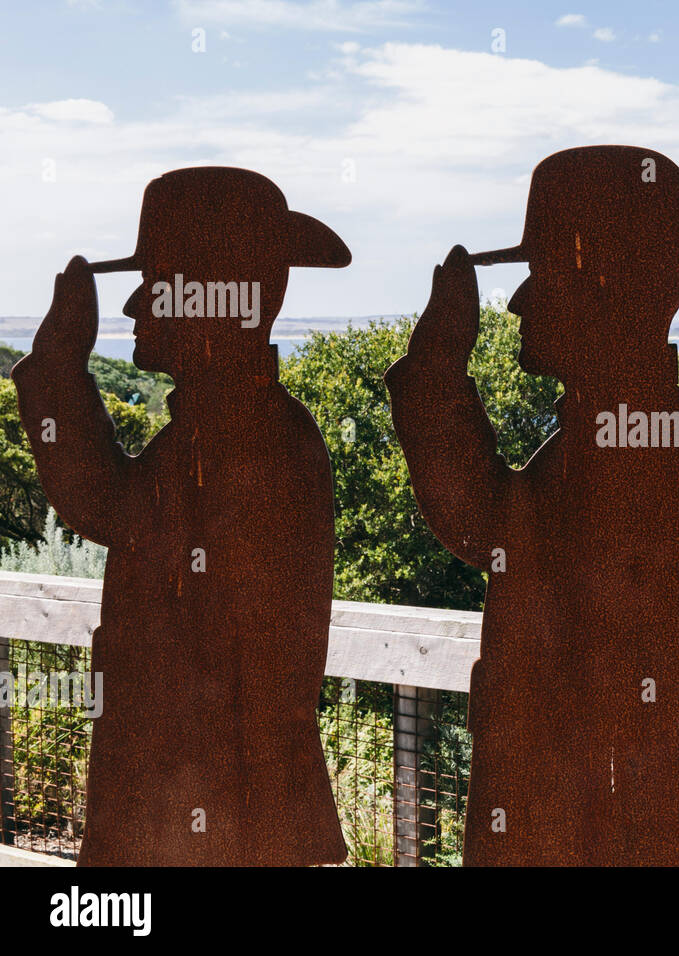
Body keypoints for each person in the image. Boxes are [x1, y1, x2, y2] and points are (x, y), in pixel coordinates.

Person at [386, 146, 679, 865]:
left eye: (547, 272)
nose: (522, 300)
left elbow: (489, 525)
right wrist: (435, 370)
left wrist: (438, 369)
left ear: (609, 288)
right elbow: (494, 523)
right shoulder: (610, 440)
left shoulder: (650, 445)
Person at [13, 167, 351, 865]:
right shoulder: (234, 430)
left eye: (159, 281)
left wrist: (59, 367)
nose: (135, 305)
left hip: (209, 810)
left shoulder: (241, 437)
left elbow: (105, 504)